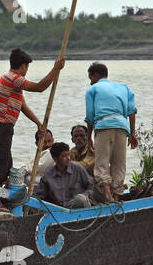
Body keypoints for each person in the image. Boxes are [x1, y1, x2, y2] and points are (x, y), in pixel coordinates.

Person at [0, 48, 64, 220]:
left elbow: (22, 106)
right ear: (23, 66)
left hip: (4, 127)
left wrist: (39, 123)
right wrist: (55, 69)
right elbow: (40, 87)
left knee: (6, 165)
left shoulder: (13, 83)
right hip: (0, 125)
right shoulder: (13, 78)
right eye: (27, 67)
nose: (27, 71)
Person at [83, 61, 138, 203]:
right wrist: (133, 134)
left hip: (103, 125)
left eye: (91, 79)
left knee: (102, 161)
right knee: (119, 163)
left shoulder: (93, 90)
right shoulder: (124, 88)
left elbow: (90, 116)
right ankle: (117, 195)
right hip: (122, 126)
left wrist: (88, 136)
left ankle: (107, 194)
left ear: (95, 75)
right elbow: (132, 112)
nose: (90, 83)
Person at [33, 141, 97, 208]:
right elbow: (41, 196)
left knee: (81, 199)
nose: (68, 158)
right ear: (55, 159)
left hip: (78, 207)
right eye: (64, 156)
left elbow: (91, 186)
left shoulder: (78, 169)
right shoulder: (47, 176)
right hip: (59, 210)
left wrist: (86, 195)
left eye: (68, 154)